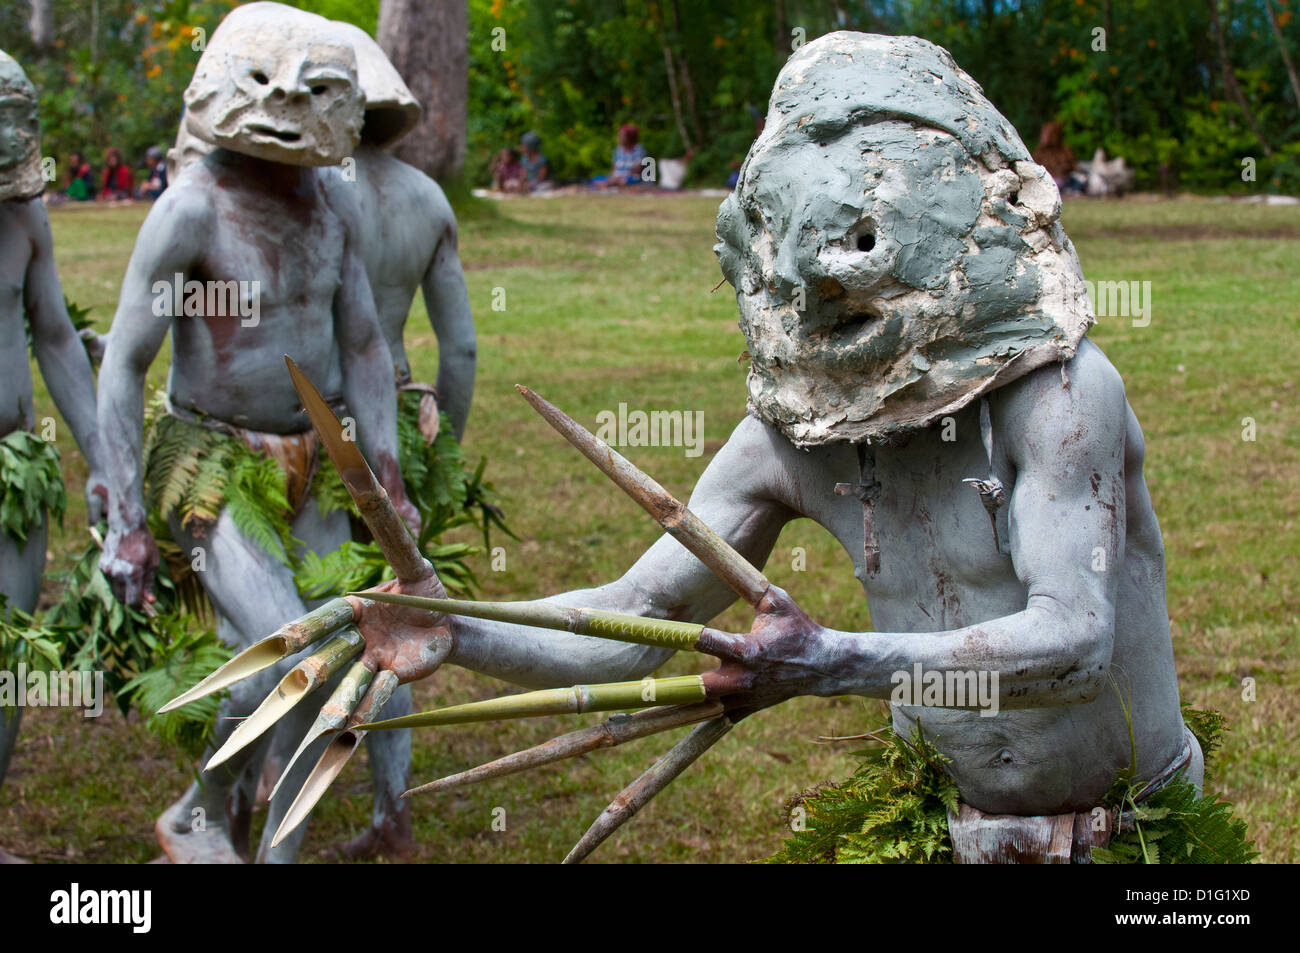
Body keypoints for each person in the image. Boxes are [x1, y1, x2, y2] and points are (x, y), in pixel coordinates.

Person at [249, 32, 1202, 864]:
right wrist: (460, 627)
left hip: (1137, 828)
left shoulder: (1061, 396)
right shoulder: (797, 438)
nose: (829, 282)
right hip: (945, 824)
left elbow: (1074, 641)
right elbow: (632, 613)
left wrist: (832, 660)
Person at [98, 2, 417, 865]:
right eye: (264, 85)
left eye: (311, 88)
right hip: (207, 459)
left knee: (348, 659)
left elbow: (363, 346)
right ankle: (200, 812)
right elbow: (124, 363)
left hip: (314, 454)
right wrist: (127, 517)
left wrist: (385, 473)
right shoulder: (188, 211)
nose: (285, 104)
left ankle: (272, 854)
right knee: (291, 661)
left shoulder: (332, 209)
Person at [0, 50, 105, 805]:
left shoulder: (24, 213)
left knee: (10, 649)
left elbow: (56, 334)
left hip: (13, 467)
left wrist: (103, 454)